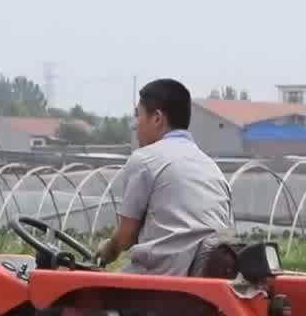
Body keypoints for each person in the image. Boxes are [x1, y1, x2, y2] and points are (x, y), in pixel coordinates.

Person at [95, 78, 236, 275]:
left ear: (157, 118)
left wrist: (108, 250)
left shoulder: (145, 160)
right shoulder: (211, 168)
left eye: (138, 116)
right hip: (206, 278)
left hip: (159, 282)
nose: (135, 125)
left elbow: (125, 237)